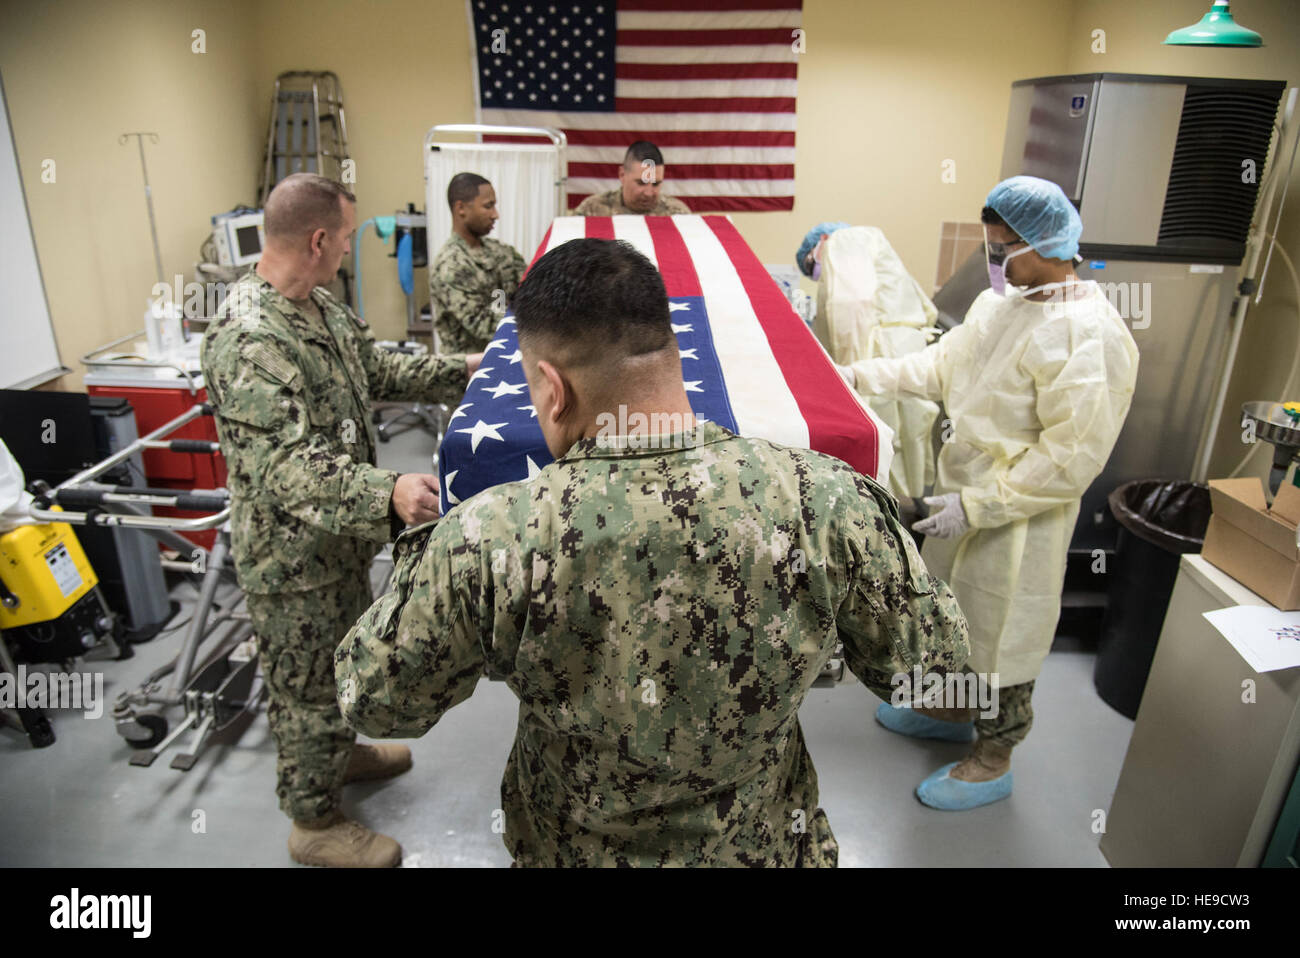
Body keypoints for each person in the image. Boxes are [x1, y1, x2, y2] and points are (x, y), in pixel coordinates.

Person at [334, 237, 970, 867]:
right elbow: (932, 675)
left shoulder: (491, 535)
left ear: (552, 388)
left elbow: (378, 699)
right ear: (670, 353)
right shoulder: (828, 501)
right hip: (764, 847)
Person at [200, 172, 483, 867]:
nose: (351, 249)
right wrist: (384, 493)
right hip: (291, 562)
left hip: (335, 545)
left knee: (338, 668)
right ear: (319, 239)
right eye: (350, 237)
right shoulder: (249, 338)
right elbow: (284, 468)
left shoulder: (314, 308)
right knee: (304, 690)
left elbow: (376, 371)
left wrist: (466, 369)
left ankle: (342, 755)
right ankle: (314, 821)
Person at [838, 175, 1140, 811]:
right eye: (992, 250)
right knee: (952, 620)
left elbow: (1067, 461)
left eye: (1006, 252)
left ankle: (993, 757)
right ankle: (950, 713)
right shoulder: (998, 307)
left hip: (1018, 522)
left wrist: (976, 507)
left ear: (1051, 243)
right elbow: (937, 369)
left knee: (1003, 637)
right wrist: (855, 376)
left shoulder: (1092, 337)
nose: (996, 264)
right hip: (962, 496)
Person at [796, 222, 940, 500]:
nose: (817, 273)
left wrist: (848, 375)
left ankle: (888, 519)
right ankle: (904, 511)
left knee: (887, 446)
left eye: (812, 264)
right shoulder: (869, 240)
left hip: (877, 353)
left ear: (821, 241)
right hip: (898, 349)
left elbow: (852, 306)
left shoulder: (844, 240)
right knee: (907, 442)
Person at [428, 172, 527, 354]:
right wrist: (539, 323)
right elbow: (485, 325)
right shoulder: (451, 265)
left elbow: (531, 285)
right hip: (472, 374)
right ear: (461, 209)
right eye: (488, 206)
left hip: (508, 356)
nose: (495, 215)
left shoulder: (500, 251)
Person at [573, 141, 691, 216]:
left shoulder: (677, 213)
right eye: (641, 183)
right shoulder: (592, 210)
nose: (649, 193)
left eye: (655, 184)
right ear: (622, 175)